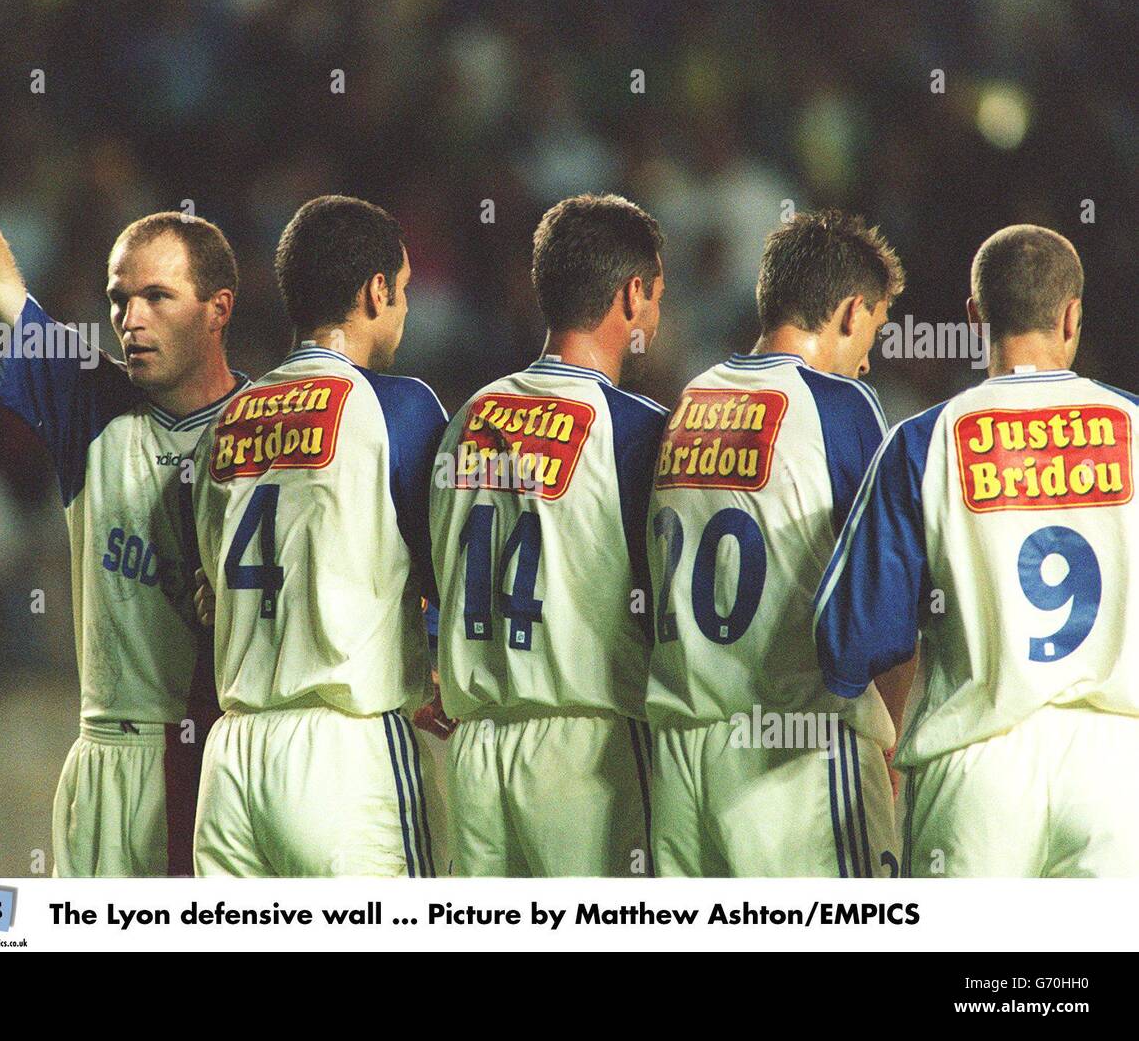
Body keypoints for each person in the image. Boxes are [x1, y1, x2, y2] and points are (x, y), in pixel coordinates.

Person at [0, 15, 246, 876]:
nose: (129, 319)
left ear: (220, 309)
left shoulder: (272, 427)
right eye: (117, 297)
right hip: (101, 754)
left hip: (221, 758)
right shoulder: (85, 396)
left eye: (157, 297)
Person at [815, 224, 1139, 877]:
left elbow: (850, 640)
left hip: (974, 766)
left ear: (974, 316)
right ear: (1072, 314)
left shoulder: (920, 442)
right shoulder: (1133, 424)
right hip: (1117, 766)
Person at [190, 195, 447, 877]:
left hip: (233, 761)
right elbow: (447, 574)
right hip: (346, 754)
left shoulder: (229, 417)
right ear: (375, 290)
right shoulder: (401, 408)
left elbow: (209, 587)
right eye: (405, 289)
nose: (407, 308)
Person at [648, 210, 910, 877]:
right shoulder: (838, 404)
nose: (870, 356)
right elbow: (880, 589)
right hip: (794, 753)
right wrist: (898, 738)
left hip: (683, 754)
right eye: (875, 328)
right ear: (851, 312)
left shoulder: (688, 399)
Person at [429, 194, 666, 876]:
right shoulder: (635, 427)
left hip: (474, 753)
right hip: (587, 751)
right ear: (631, 294)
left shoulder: (468, 414)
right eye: (655, 297)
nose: (656, 316)